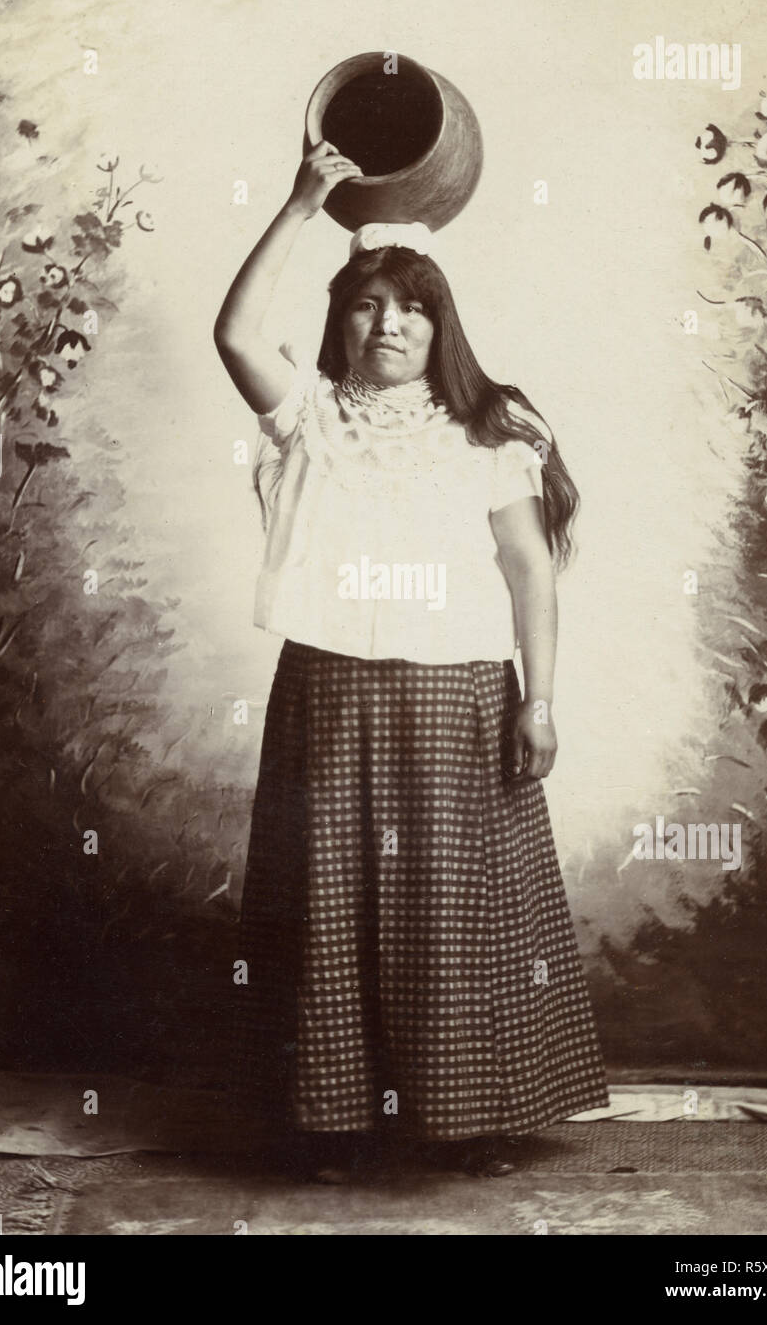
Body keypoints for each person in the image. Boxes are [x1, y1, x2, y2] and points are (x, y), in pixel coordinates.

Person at [213, 140, 610, 1183]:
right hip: (331, 687)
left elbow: (529, 571)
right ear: (340, 317)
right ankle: (333, 1122)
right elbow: (236, 331)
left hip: (462, 690)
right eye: (366, 305)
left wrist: (543, 701)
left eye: (412, 308)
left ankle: (466, 1115)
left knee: (456, 901)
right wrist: (303, 205)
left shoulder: (488, 431)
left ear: (443, 325)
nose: (388, 324)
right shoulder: (306, 416)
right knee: (327, 896)